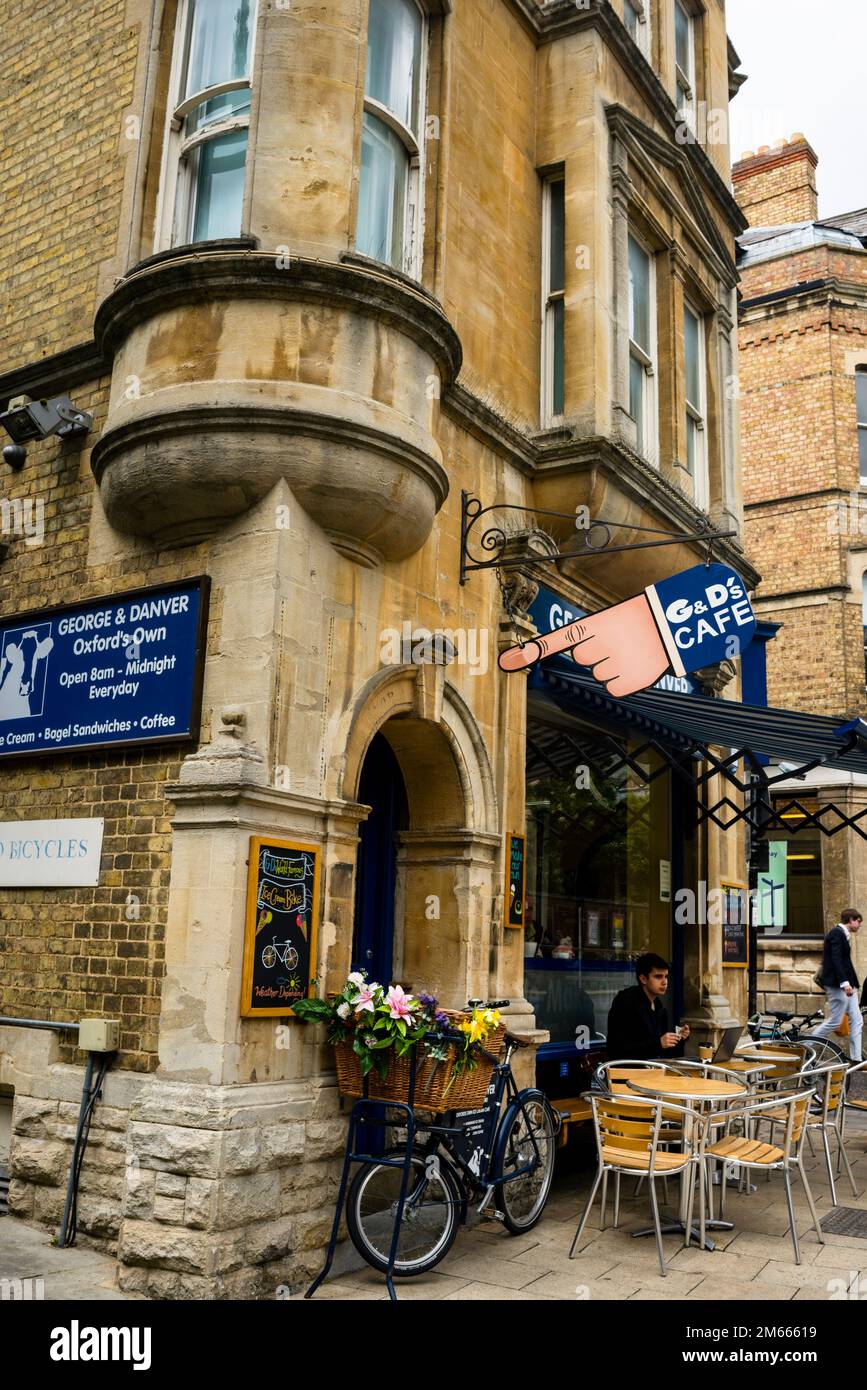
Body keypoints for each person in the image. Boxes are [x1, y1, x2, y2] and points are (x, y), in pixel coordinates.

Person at [605, 952, 690, 1060]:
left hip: (654, 1071)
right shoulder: (626, 1002)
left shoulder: (659, 1007)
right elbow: (618, 1049)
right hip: (629, 1072)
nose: (664, 982)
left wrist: (679, 1038)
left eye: (666, 976)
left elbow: (666, 1054)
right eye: (658, 977)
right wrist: (659, 1044)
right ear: (643, 979)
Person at [813, 908, 863, 1062]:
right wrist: (844, 982)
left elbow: (844, 961)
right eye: (858, 922)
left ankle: (856, 1058)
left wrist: (851, 983)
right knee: (835, 1021)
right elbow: (836, 960)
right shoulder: (836, 933)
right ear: (851, 920)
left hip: (848, 985)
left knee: (857, 1019)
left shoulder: (843, 935)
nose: (859, 925)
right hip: (838, 985)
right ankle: (805, 1044)